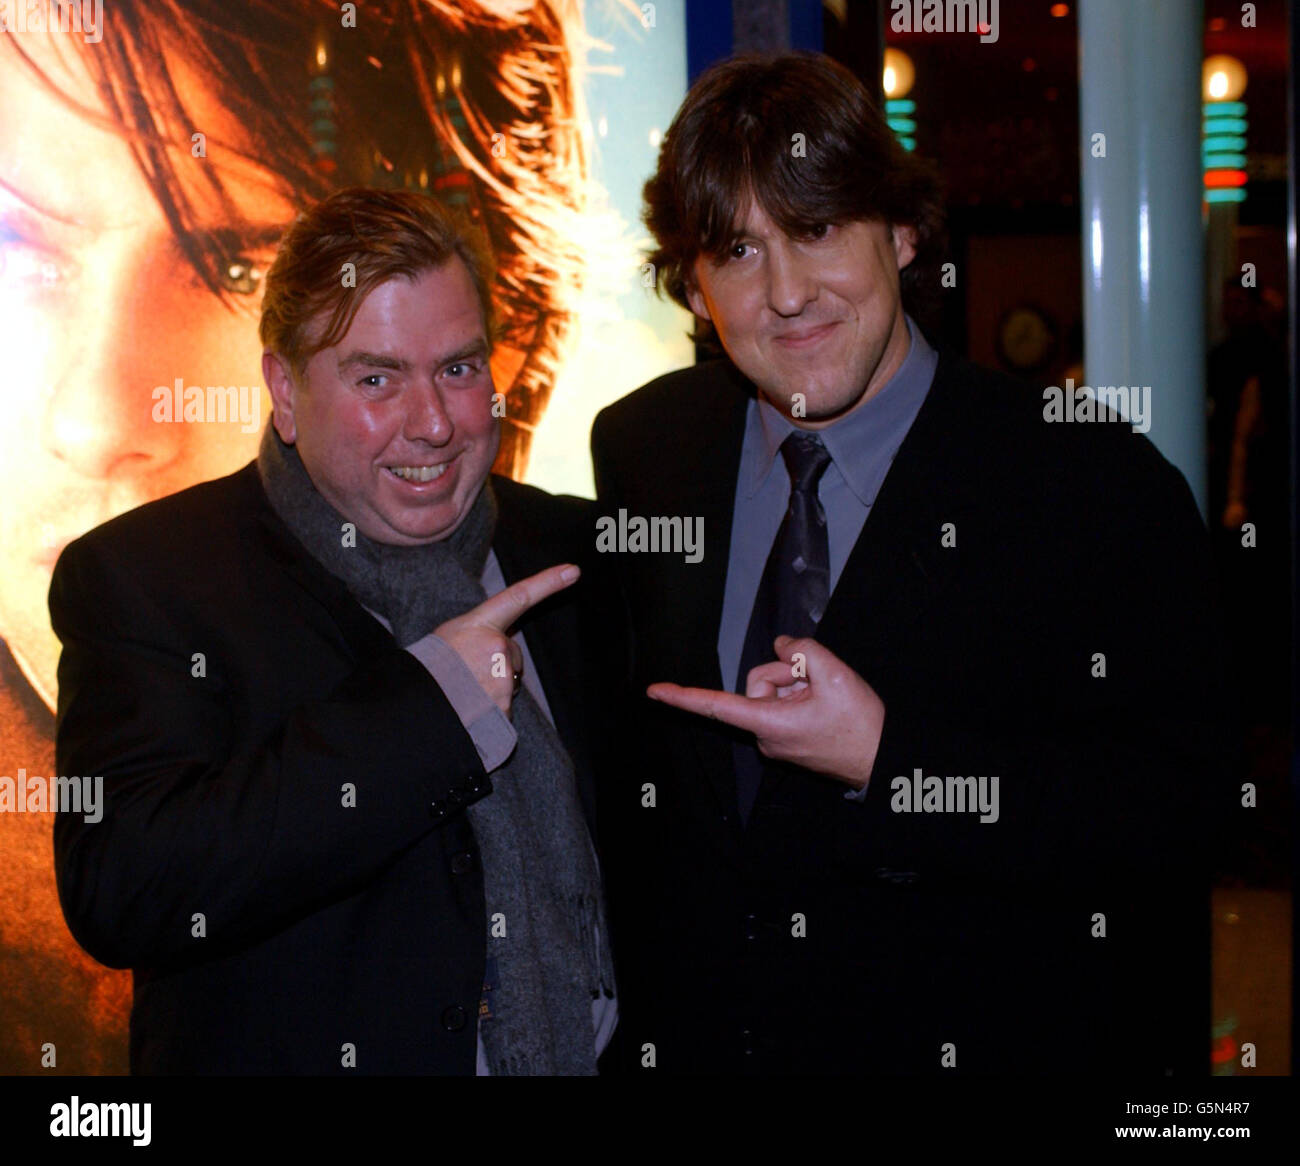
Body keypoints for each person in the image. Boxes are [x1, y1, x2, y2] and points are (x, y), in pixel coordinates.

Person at [591, 52, 1223, 1075]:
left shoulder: (1090, 481)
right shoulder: (645, 447)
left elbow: (1174, 816)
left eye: (815, 229)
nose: (786, 294)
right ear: (694, 283)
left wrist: (897, 761)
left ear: (902, 229)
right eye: (738, 250)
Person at [0, 0, 592, 1074]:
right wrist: (432, 711)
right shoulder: (141, 581)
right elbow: (128, 887)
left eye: (228, 262)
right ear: (285, 386)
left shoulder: (582, 560)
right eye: (22, 239)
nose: (90, 419)